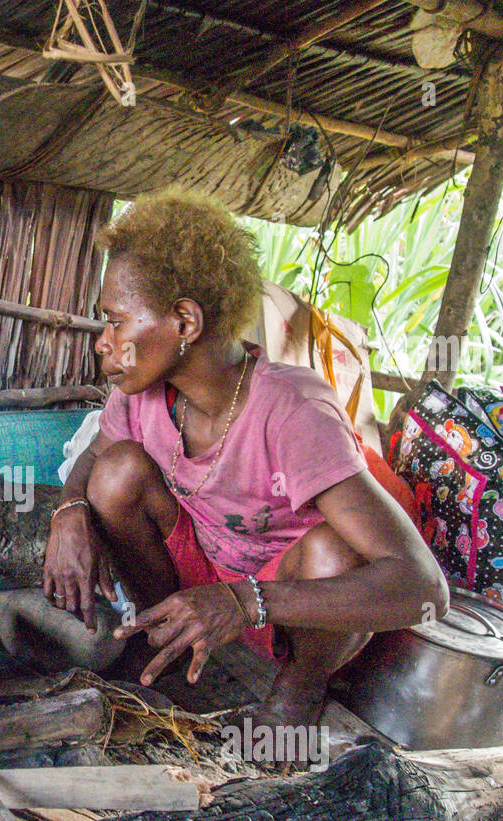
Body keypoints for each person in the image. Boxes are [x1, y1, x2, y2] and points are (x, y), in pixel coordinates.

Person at [43, 189, 448, 729]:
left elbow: (424, 587)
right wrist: (68, 511)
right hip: (205, 582)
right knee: (116, 471)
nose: (103, 340)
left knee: (333, 551)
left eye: (116, 321)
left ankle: (302, 685)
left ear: (185, 323)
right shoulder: (139, 395)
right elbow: (93, 459)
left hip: (297, 606)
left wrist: (244, 600)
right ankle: (168, 635)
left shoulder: (294, 410)